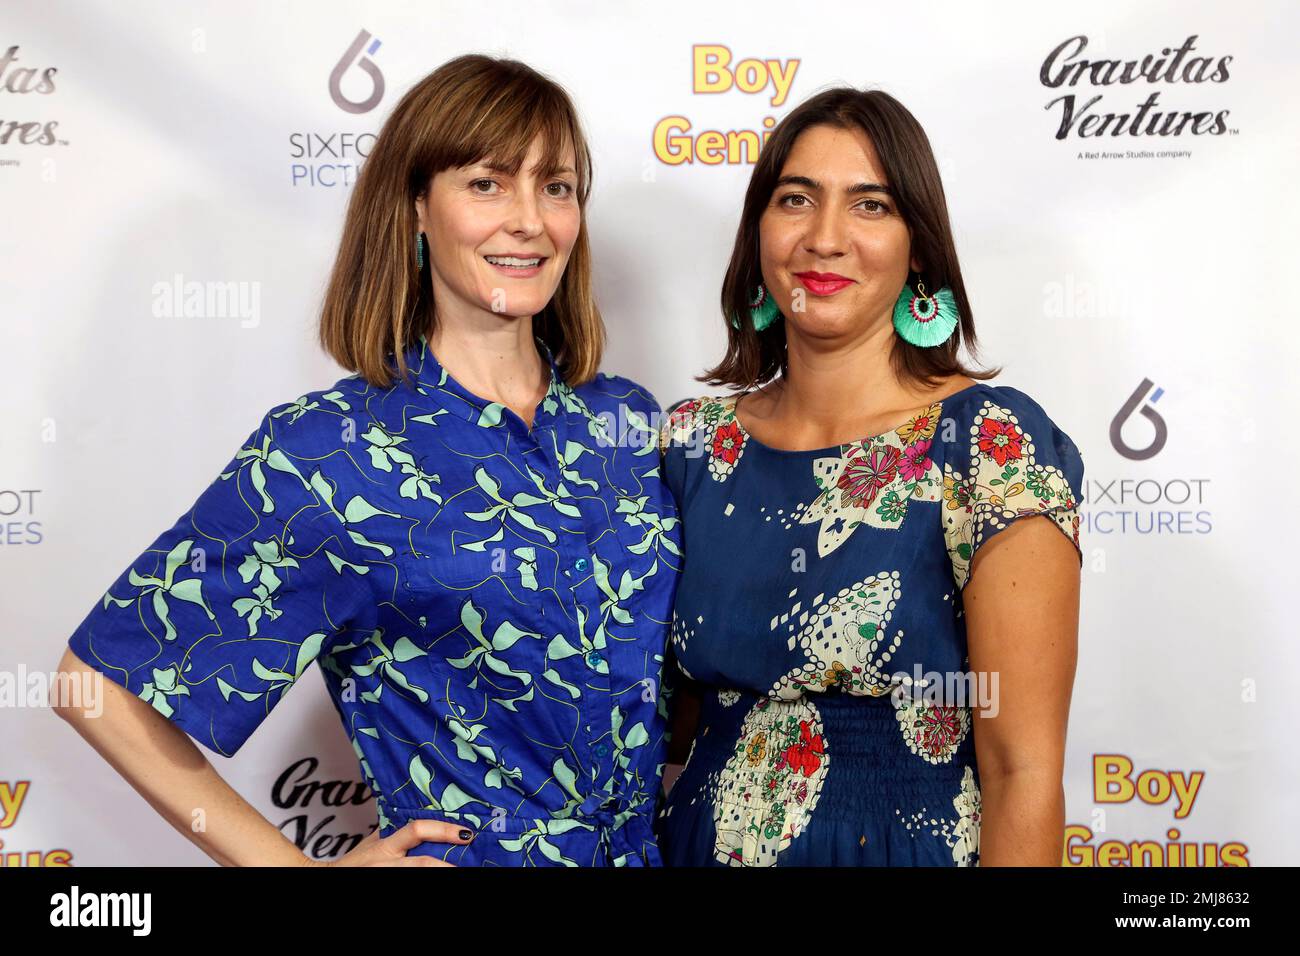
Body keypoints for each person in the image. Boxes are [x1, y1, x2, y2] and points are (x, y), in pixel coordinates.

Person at [54, 54, 682, 867]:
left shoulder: (626, 421)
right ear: (417, 207)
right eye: (487, 183)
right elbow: (92, 685)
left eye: (555, 186)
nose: (529, 219)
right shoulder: (328, 453)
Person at [654, 87, 1084, 866]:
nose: (825, 238)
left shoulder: (989, 444)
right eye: (796, 199)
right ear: (760, 231)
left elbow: (1024, 773)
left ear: (919, 246)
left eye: (870, 206)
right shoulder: (690, 444)